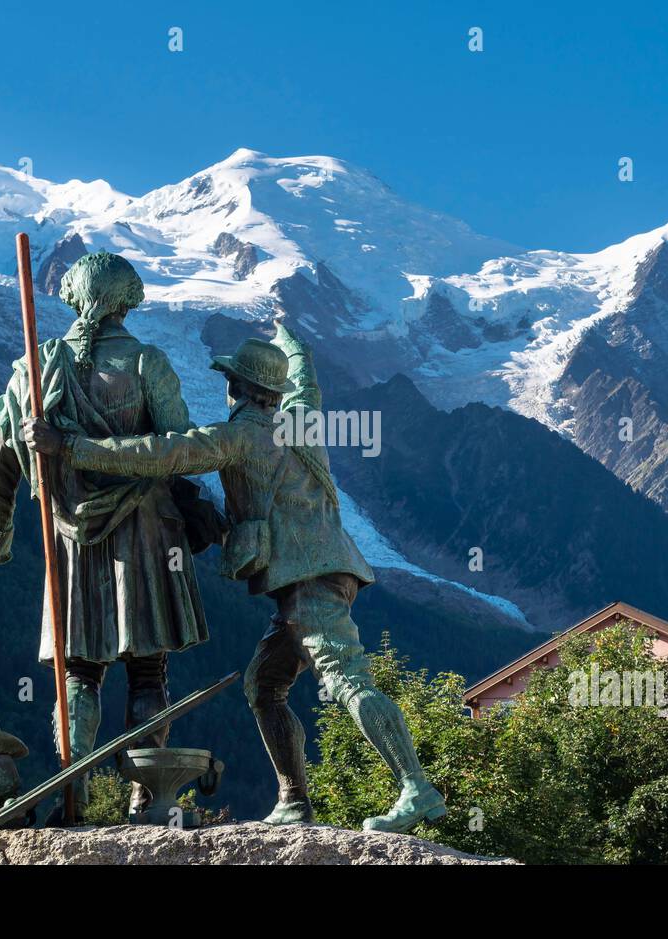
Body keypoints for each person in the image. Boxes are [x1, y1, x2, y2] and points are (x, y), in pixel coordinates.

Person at [22, 320, 446, 833]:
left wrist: (70, 448)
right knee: (264, 686)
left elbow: (162, 453)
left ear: (237, 388)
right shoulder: (301, 419)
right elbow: (307, 375)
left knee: (346, 678)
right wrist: (289, 336)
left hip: (309, 579)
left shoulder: (239, 437)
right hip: (321, 575)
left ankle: (415, 788)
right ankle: (294, 801)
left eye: (230, 382)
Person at [0, 251, 216, 825]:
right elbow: (180, 449)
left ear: (77, 298)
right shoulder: (147, 363)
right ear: (126, 301)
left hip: (71, 540)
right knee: (148, 669)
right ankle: (148, 798)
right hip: (149, 532)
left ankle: (72, 795)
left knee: (78, 671)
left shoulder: (37, 367)